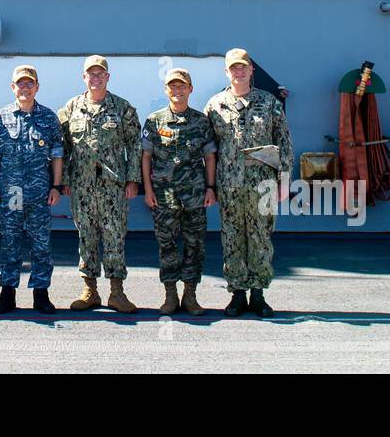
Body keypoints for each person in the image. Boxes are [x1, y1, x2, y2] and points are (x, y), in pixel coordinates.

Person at [204, 48, 294, 318]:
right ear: (227, 72)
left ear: (251, 70)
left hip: (262, 184)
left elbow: (284, 143)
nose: (239, 72)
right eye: (234, 68)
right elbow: (209, 150)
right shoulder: (215, 105)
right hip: (229, 186)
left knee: (260, 238)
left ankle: (258, 293)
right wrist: (210, 186)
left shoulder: (269, 103)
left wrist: (284, 180)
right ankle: (237, 294)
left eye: (243, 67)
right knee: (232, 238)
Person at [58, 55, 141, 313]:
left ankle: (117, 293)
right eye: (90, 74)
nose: (95, 78)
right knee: (87, 238)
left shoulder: (122, 108)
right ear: (84, 77)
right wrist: (64, 180)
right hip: (81, 187)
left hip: (113, 187)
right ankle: (90, 290)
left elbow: (135, 145)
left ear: (108, 77)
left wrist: (132, 180)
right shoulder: (71, 108)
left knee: (115, 238)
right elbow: (62, 147)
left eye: (100, 74)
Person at [0, 64, 64, 314]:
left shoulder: (49, 118)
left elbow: (57, 155)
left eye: (30, 83)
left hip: (40, 192)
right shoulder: (1, 117)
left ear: (37, 87)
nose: (25, 87)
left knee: (41, 244)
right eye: (20, 83)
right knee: (10, 242)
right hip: (12, 194)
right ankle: (7, 293)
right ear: (12, 87)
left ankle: (41, 293)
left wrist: (56, 186)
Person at [142, 68, 216, 316]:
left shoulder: (201, 121)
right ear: (166, 90)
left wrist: (210, 187)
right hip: (164, 196)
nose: (177, 90)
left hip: (194, 195)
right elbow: (146, 157)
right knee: (167, 246)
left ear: (190, 89)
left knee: (195, 246)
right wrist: (148, 190)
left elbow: (210, 156)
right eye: (172, 86)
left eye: (182, 86)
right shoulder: (154, 121)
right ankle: (171, 296)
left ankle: (191, 296)